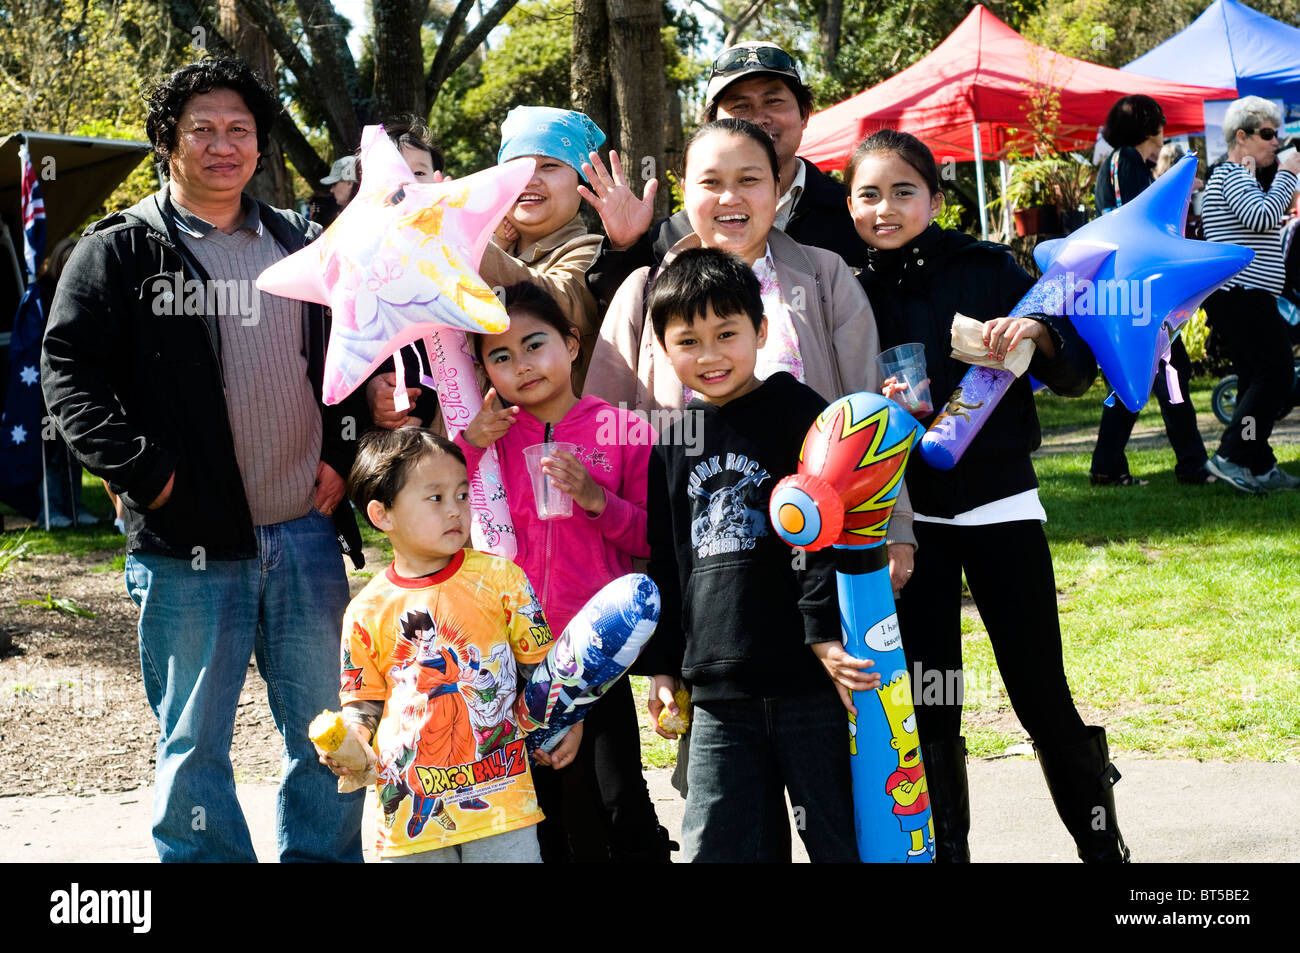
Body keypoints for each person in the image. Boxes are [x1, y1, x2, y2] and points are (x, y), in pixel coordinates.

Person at [40, 57, 366, 862]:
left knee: (330, 733)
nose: (224, 146)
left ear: (260, 147)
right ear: (167, 143)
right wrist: (146, 475)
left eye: (240, 131)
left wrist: (341, 452)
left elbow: (348, 353)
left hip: (305, 532)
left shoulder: (301, 242)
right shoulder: (117, 249)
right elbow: (68, 373)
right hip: (188, 544)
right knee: (193, 744)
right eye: (202, 130)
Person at [847, 130, 1129, 863]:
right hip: (912, 524)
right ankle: (946, 854)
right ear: (848, 204)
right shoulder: (847, 288)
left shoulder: (988, 266)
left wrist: (1040, 331)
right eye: (868, 194)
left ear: (937, 200)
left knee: (1040, 691)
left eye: (904, 191)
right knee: (932, 702)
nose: (886, 208)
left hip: (1001, 506)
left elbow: (1075, 374)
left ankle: (1104, 848)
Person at [584, 117, 916, 581]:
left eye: (749, 180)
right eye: (711, 182)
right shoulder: (643, 290)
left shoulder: (825, 276)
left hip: (817, 545)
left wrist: (895, 526)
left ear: (779, 186)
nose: (730, 198)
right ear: (684, 189)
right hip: (684, 553)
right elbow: (599, 431)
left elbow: (869, 411)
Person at [638, 247, 878, 862]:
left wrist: (824, 633)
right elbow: (664, 558)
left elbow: (831, 533)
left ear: (761, 330)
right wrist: (665, 664)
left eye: (727, 334)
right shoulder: (672, 440)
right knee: (717, 847)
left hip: (809, 682)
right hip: (718, 693)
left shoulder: (803, 415)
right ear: (665, 349)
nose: (711, 355)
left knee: (840, 838)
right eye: (688, 341)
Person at [455, 280, 670, 862]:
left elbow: (656, 537)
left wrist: (598, 501)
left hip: (598, 647)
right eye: (500, 357)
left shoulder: (623, 430)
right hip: (514, 651)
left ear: (572, 345)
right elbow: (430, 498)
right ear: (484, 373)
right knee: (542, 806)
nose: (521, 366)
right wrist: (468, 444)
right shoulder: (490, 439)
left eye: (534, 344)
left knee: (617, 795)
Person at [321, 428, 581, 862]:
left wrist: (565, 722)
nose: (456, 510)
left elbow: (543, 672)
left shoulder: (503, 579)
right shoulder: (366, 610)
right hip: (407, 818)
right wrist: (351, 742)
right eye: (436, 498)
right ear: (382, 515)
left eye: (463, 495)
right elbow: (363, 702)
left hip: (502, 801)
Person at [582, 41, 866, 309]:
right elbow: (621, 309)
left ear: (804, 114)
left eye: (774, 101)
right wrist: (624, 247)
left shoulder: (851, 213)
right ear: (712, 123)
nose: (758, 117)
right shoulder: (676, 235)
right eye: (740, 106)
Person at [1089, 95, 1214, 487]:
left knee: (1142, 376)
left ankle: (1111, 466)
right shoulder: (1125, 161)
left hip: (1124, 292)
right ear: (1148, 128)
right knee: (1167, 372)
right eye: (1160, 127)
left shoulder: (1118, 163)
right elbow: (1139, 227)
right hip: (1137, 293)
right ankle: (1191, 465)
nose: (1163, 137)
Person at [1200, 96, 1300, 493]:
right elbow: (1262, 216)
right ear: (1241, 136)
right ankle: (1232, 456)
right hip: (1242, 295)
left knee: (1254, 379)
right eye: (1268, 134)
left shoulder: (1234, 176)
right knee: (1275, 375)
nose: (1276, 142)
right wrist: (1289, 176)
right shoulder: (1230, 176)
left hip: (1239, 296)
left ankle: (1257, 463)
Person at [481, 106, 605, 387]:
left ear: (581, 182)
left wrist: (467, 246)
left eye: (549, 166)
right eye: (517, 168)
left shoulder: (592, 252)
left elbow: (554, 300)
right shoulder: (494, 248)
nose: (530, 179)